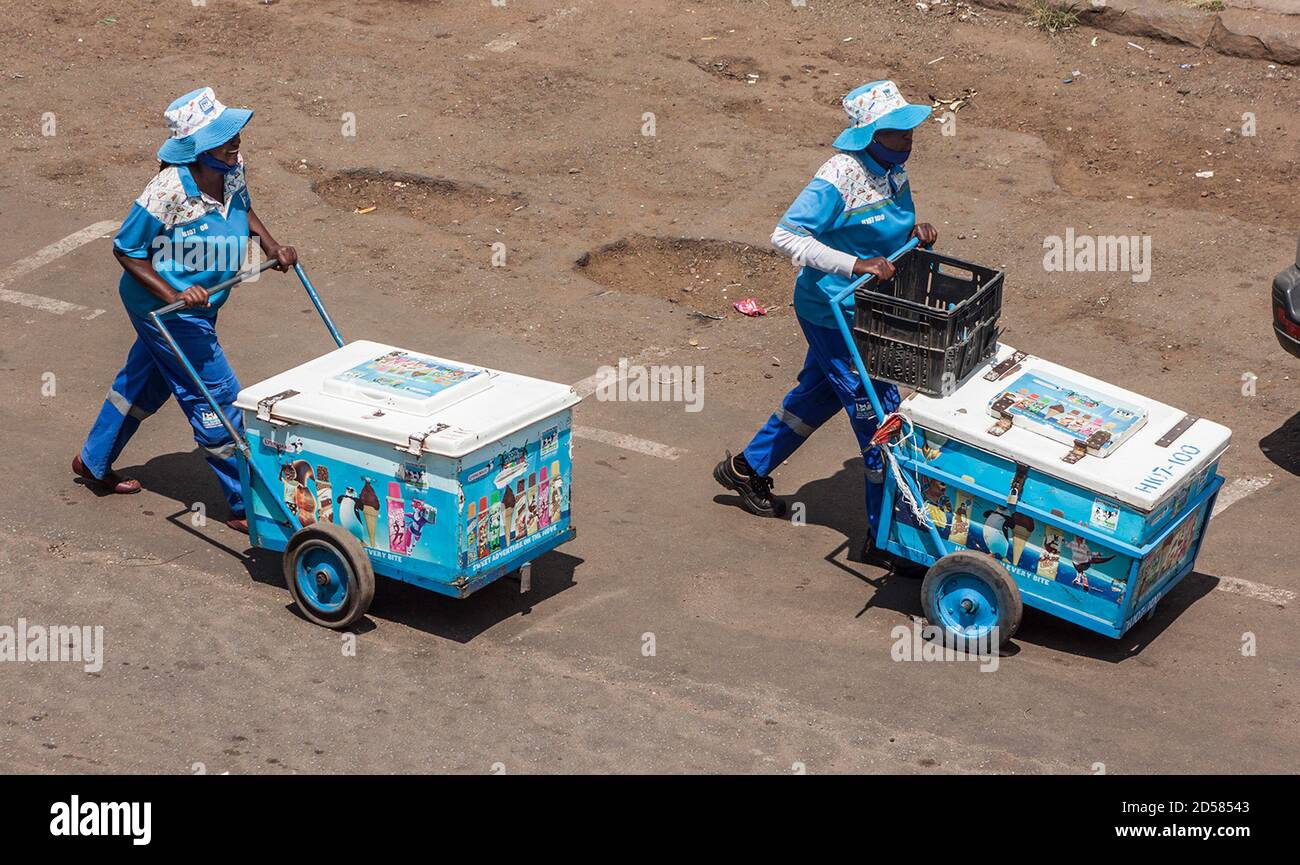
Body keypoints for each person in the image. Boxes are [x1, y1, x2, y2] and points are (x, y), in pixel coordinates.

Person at [714, 80, 938, 552]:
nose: (908, 137)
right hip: (834, 310)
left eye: (909, 129)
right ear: (869, 135)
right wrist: (854, 265)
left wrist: (912, 234)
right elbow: (787, 237)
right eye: (896, 131)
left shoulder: (895, 168)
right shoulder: (839, 175)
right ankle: (884, 535)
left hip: (871, 308)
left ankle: (747, 469)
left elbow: (879, 235)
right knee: (880, 416)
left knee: (818, 394)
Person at [72, 87, 298, 534]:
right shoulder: (167, 190)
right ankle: (244, 505)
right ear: (196, 148)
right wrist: (173, 296)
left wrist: (272, 246)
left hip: (205, 300)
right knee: (215, 398)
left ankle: (93, 461)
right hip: (168, 310)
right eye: (222, 136)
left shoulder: (231, 169)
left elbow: (242, 210)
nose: (235, 142)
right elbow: (127, 249)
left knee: (143, 384)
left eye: (233, 134)